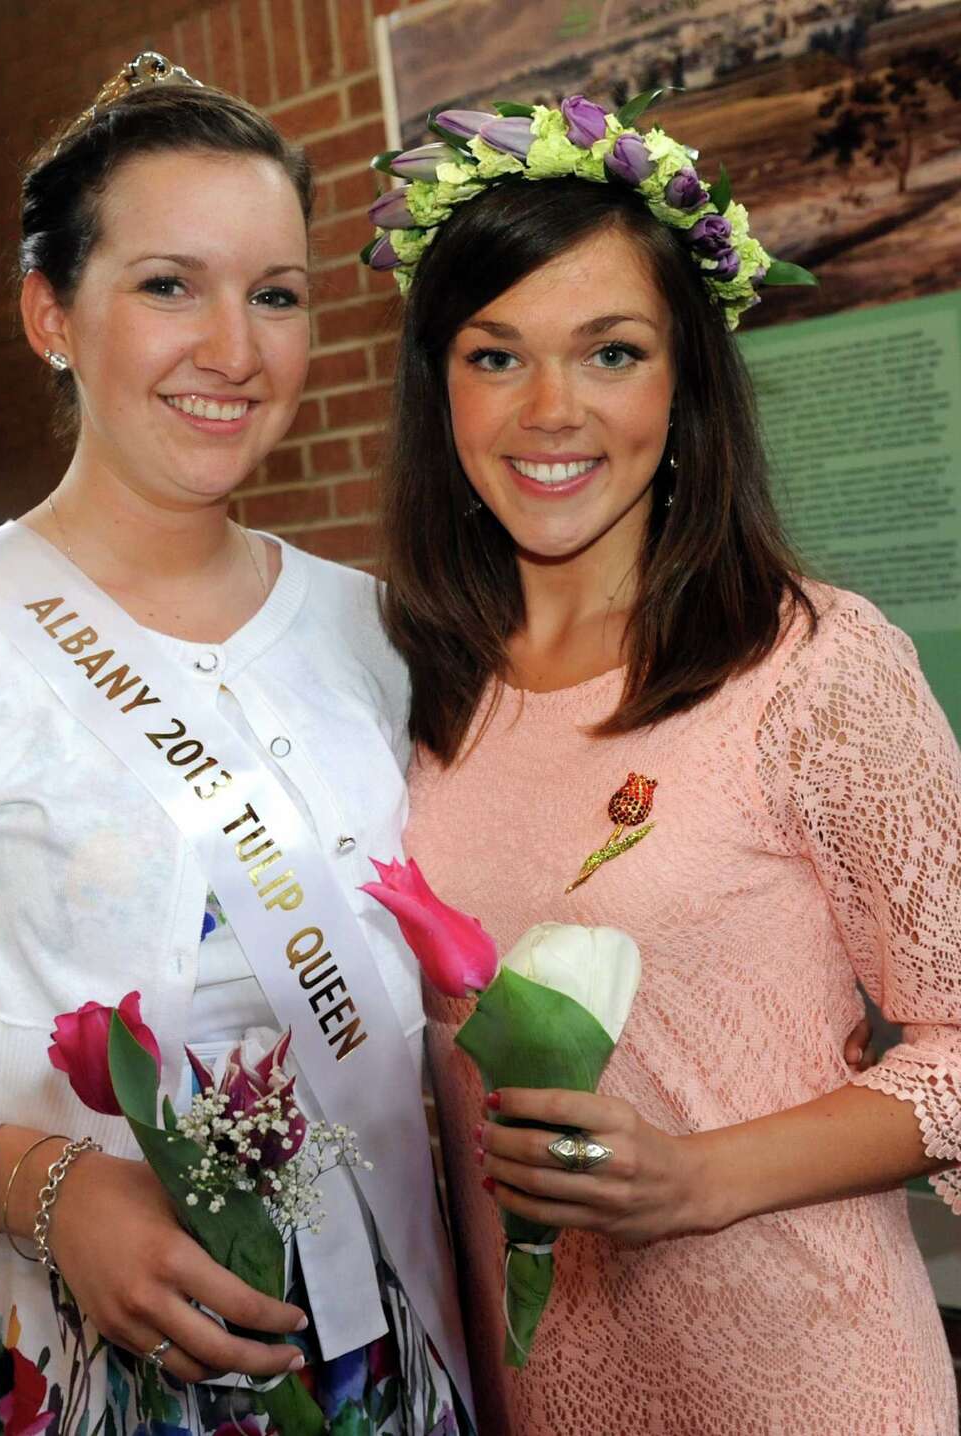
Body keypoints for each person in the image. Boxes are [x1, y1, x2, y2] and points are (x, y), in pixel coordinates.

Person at [0, 55, 471, 1436]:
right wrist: (50, 1185)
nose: (235, 347)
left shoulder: (376, 629)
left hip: (371, 1337)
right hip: (58, 1342)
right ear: (52, 313)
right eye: (168, 285)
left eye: (275, 294)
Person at [365, 96, 961, 1433]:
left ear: (687, 380)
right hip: (544, 1388)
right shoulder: (415, 688)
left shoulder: (810, 667)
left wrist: (697, 1177)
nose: (551, 410)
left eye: (612, 351)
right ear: (437, 387)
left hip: (799, 1378)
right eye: (494, 355)